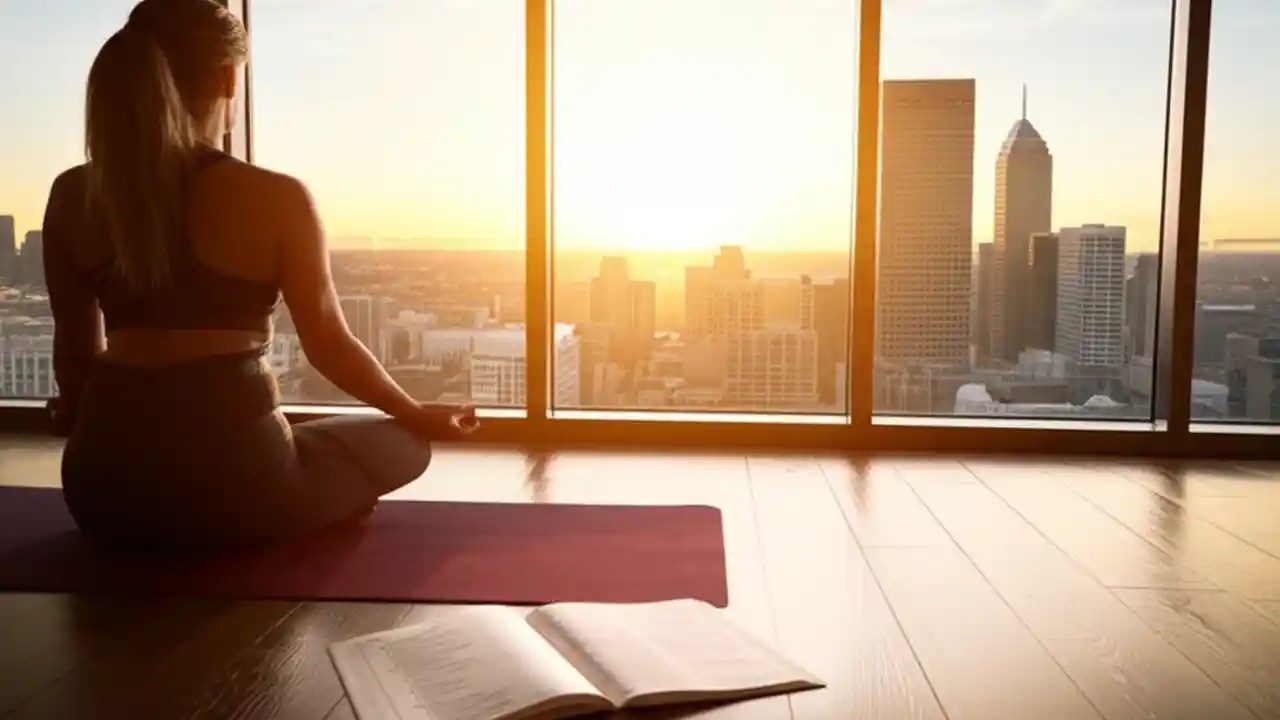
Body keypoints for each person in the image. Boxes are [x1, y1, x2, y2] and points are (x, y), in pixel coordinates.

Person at [41, 0, 477, 551]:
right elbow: (329, 345)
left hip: (102, 497)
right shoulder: (276, 196)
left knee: (304, 442)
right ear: (227, 77)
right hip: (241, 492)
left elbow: (76, 357)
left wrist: (75, 415)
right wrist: (416, 414)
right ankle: (311, 501)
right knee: (405, 445)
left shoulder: (72, 194)